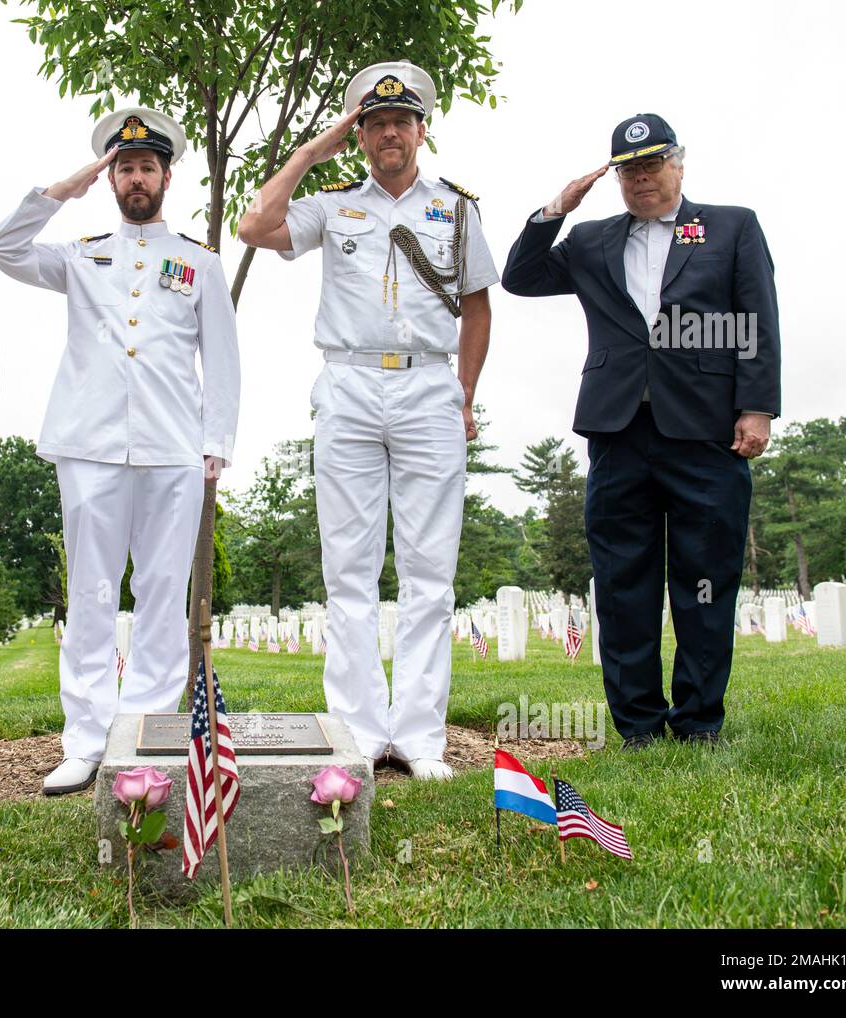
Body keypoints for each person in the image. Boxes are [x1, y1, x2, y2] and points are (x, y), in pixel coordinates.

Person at [238, 62, 498, 780]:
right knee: (347, 568)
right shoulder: (331, 205)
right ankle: (356, 731)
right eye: (375, 122)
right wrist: (306, 154)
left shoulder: (456, 208)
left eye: (401, 120)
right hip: (349, 384)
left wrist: (465, 394)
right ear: (359, 135)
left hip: (428, 387)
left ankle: (418, 738)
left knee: (429, 569)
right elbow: (255, 224)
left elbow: (477, 306)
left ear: (421, 129)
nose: (390, 132)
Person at [501, 113, 781, 748]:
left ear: (679, 165)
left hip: (708, 433)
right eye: (628, 170)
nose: (642, 178)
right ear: (615, 178)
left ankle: (699, 723)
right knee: (623, 584)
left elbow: (756, 318)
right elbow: (519, 278)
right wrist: (556, 208)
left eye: (653, 164)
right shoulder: (593, 239)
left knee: (705, 582)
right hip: (618, 431)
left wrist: (757, 407)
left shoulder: (731, 227)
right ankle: (639, 728)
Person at [0, 108, 241, 795]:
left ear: (165, 176)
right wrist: (59, 191)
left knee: (162, 593)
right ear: (111, 177)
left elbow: (222, 360)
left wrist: (215, 443)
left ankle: (146, 735)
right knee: (92, 594)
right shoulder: (79, 254)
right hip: (89, 445)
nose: (135, 177)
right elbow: (3, 248)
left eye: (146, 167)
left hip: (173, 446)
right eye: (123, 167)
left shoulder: (199, 262)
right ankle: (86, 738)